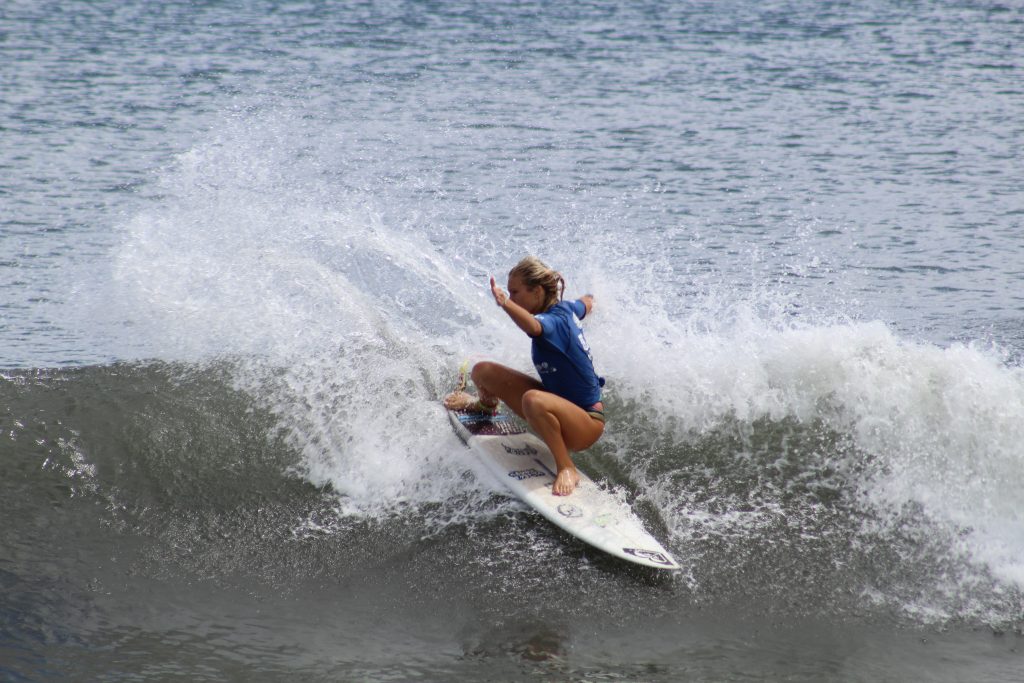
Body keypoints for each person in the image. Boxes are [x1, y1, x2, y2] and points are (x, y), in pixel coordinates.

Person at [444, 256, 605, 496]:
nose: (513, 298)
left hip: (585, 424)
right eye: (510, 293)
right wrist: (596, 297)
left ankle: (566, 466)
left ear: (537, 291)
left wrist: (505, 304)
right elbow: (587, 303)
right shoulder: (569, 309)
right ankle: (484, 406)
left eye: (516, 293)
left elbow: (534, 327)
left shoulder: (550, 322)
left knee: (533, 399)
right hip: (557, 407)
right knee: (483, 371)